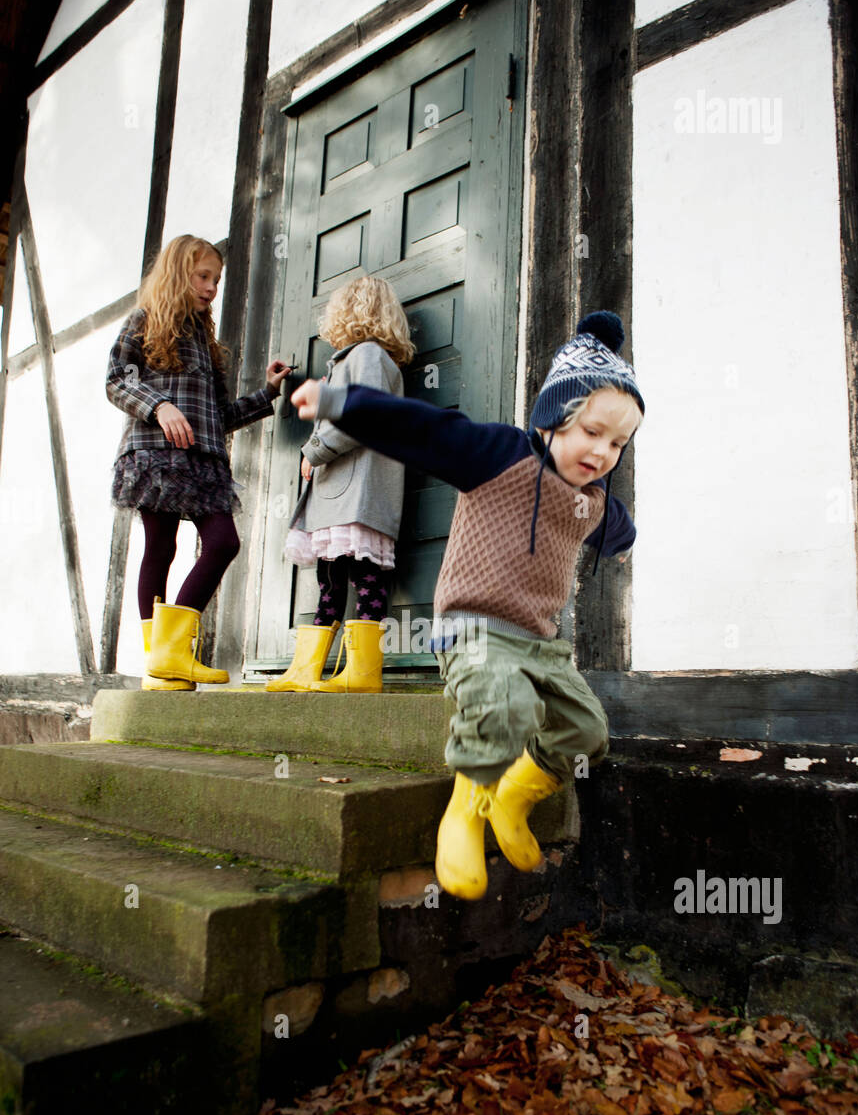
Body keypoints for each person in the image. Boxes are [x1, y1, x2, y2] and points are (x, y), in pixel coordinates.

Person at [289, 311, 643, 900]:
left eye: (618, 443)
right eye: (591, 432)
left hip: (540, 643)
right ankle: (465, 809)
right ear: (554, 416)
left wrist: (625, 546)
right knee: (503, 705)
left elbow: (619, 527)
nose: (602, 452)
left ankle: (512, 798)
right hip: (473, 628)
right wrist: (342, 402)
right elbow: (422, 429)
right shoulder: (497, 455)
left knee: (587, 730)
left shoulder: (591, 500)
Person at [106, 234, 292, 688]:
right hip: (154, 456)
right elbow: (115, 380)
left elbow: (220, 417)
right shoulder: (143, 322)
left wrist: (267, 394)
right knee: (161, 549)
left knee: (224, 541)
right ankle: (162, 665)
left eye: (216, 279)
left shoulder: (206, 345)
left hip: (205, 461)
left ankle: (166, 656)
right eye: (202, 276)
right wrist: (159, 406)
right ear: (176, 274)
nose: (211, 287)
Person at [266, 275, 414, 694]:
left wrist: (314, 451)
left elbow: (362, 417)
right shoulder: (352, 359)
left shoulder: (367, 355)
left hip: (358, 490)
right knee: (330, 579)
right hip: (340, 492)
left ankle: (362, 673)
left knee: (366, 575)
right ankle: (305, 669)